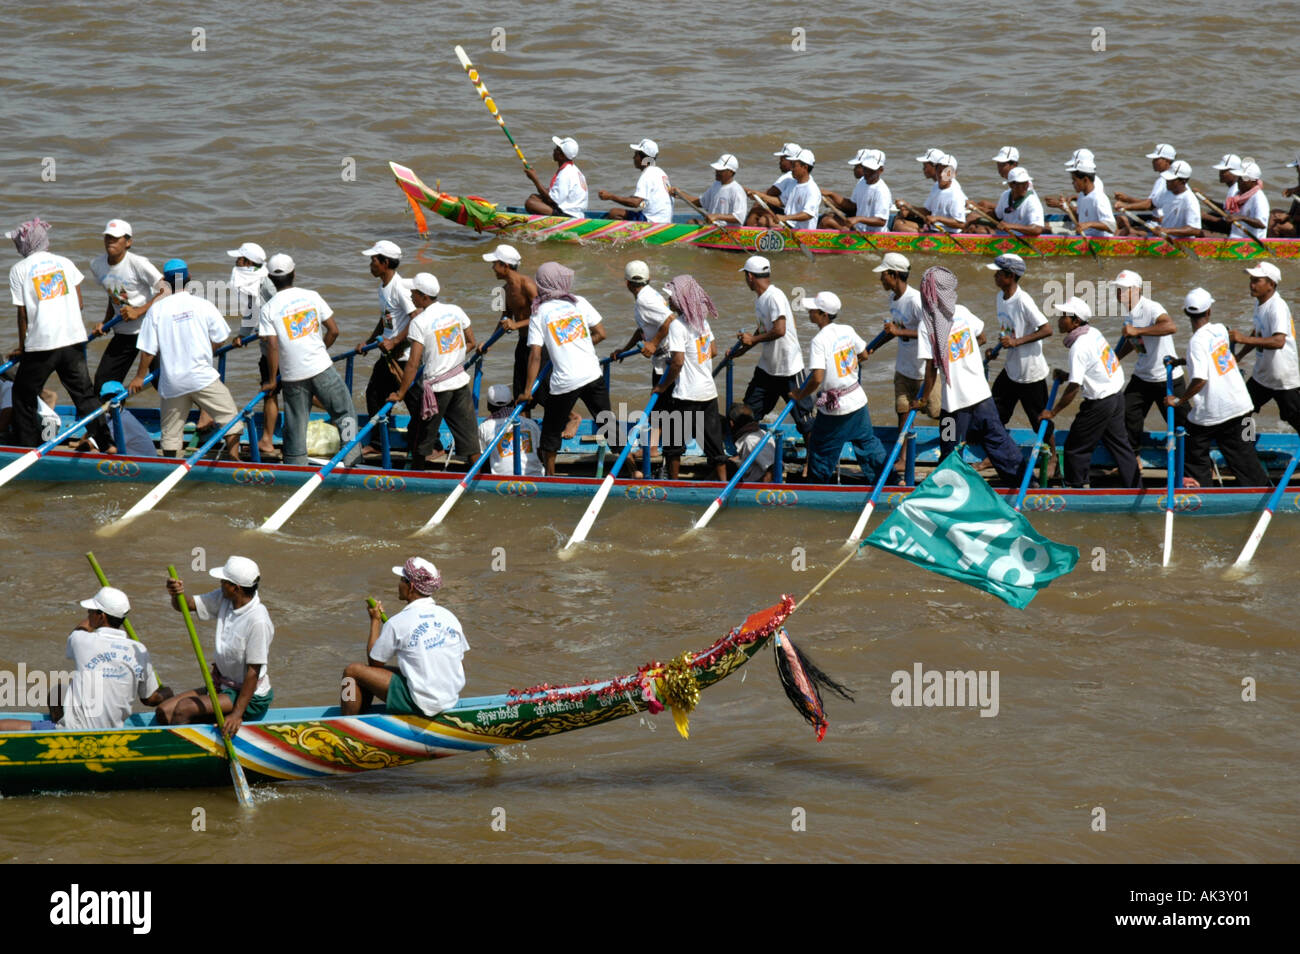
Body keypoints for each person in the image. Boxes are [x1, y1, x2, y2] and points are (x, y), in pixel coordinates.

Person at [5, 217, 112, 450]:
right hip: (73, 340)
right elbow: (80, 303)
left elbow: (22, 314)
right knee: (84, 395)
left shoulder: (18, 270)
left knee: (23, 395)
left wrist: (23, 347)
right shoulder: (65, 262)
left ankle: (26, 448)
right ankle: (106, 442)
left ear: (26, 244)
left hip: (42, 345)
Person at [0, 587, 170, 732]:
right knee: (58, 692)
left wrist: (96, 616)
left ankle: (60, 729)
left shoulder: (81, 640)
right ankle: (60, 723)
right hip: (112, 729)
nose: (88, 614)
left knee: (12, 725)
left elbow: (82, 627)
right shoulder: (139, 650)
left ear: (101, 616)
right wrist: (166, 693)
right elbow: (149, 699)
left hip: (77, 731)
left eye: (90, 611)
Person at [913, 266, 1023, 486]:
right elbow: (981, 336)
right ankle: (1022, 481)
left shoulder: (928, 326)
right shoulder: (961, 312)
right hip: (981, 395)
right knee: (997, 440)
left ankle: (948, 485)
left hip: (954, 403)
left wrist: (923, 400)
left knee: (949, 443)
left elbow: (930, 369)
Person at [128, 259, 244, 459]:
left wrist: (139, 377)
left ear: (164, 281)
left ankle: (171, 462)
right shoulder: (203, 304)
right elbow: (221, 337)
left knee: (171, 432)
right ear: (189, 278)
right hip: (202, 377)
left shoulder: (157, 310)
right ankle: (234, 459)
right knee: (230, 418)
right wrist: (208, 349)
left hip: (173, 381)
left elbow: (148, 350)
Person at [258, 253, 359, 467]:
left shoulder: (268, 308)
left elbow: (272, 345)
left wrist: (273, 380)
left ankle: (296, 465)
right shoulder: (311, 296)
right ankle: (352, 456)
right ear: (294, 273)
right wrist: (320, 348)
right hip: (321, 367)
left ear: (271, 279)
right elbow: (333, 331)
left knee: (296, 424)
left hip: (292, 375)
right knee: (344, 412)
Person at [157, 556, 274, 735]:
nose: (220, 583)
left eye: (224, 581)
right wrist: (176, 594)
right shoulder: (224, 598)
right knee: (164, 711)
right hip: (223, 686)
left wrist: (236, 715)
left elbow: (253, 671)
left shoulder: (258, 620)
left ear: (236, 588)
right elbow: (186, 605)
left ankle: (185, 755)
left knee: (184, 709)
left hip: (249, 696)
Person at [1164, 288, 1269, 487]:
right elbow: (1214, 357)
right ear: (1209, 311)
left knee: (1192, 449)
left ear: (1186, 313)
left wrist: (1179, 400)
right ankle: (1260, 489)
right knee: (1244, 457)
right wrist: (1182, 361)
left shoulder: (1196, 342)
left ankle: (1201, 489)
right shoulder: (1221, 329)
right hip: (1241, 405)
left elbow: (1200, 379)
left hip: (1215, 412)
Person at [339, 558, 468, 719]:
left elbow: (375, 662)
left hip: (421, 702)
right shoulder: (450, 617)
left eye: (401, 580)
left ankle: (346, 725)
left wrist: (375, 621)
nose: (398, 585)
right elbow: (458, 658)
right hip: (449, 699)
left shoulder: (397, 622)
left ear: (411, 586)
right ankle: (361, 716)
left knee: (352, 672)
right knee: (408, 669)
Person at [520, 262, 612, 475]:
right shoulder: (579, 302)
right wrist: (577, 347)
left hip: (566, 381)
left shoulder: (539, 312)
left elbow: (535, 355)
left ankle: (550, 477)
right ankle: (634, 469)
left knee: (550, 434)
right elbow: (601, 333)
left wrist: (526, 392)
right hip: (592, 373)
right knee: (608, 424)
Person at [1039, 297, 1140, 488]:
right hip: (1116, 396)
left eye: (1064, 317)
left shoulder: (1078, 347)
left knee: (1075, 448)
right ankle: (1135, 486)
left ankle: (1076, 487)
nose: (1060, 320)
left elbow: (1074, 387)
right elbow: (1094, 367)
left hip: (1101, 402)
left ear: (1076, 321)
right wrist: (1068, 374)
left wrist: (1052, 412)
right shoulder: (1093, 332)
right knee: (1120, 446)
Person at [788, 291, 886, 485]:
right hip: (856, 398)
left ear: (823, 315)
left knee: (820, 447)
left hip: (836, 408)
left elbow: (816, 379)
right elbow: (864, 354)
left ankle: (817, 485)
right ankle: (889, 479)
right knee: (867, 443)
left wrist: (799, 394)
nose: (810, 313)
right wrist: (847, 365)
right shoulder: (847, 330)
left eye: (813, 310)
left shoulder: (819, 341)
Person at [388, 272, 481, 470]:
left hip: (437, 390)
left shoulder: (419, 322)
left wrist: (401, 393)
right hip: (459, 382)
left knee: (421, 440)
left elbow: (413, 363)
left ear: (423, 297)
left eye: (413, 292)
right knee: (470, 440)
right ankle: (479, 478)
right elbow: (471, 342)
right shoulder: (455, 310)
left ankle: (415, 477)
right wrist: (450, 359)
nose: (411, 296)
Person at [654, 274, 727, 480]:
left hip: (685, 395)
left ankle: (674, 483)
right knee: (714, 445)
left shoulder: (678, 325)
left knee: (673, 445)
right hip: (708, 393)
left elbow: (677, 362)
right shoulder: (702, 321)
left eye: (672, 297)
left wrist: (661, 387)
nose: (669, 301)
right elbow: (712, 351)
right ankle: (723, 483)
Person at [356, 240, 423, 458]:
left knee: (416, 403)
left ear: (385, 263)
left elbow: (416, 318)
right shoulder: (383, 287)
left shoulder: (400, 287)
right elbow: (386, 319)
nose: (370, 264)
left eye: (373, 260)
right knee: (374, 395)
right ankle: (377, 441)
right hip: (387, 356)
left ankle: (433, 445)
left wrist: (395, 342)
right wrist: (369, 341)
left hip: (403, 357)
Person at [734, 256, 811, 436]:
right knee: (749, 412)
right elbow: (762, 329)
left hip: (789, 367)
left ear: (750, 277)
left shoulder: (774, 296)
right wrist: (742, 349)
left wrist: (752, 340)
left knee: (804, 420)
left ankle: (811, 463)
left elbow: (780, 330)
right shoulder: (760, 299)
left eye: (746, 276)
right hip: (768, 367)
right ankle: (749, 449)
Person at [88, 219, 166, 393]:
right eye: (108, 237)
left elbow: (166, 290)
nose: (110, 241)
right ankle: (113, 417)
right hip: (123, 333)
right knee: (102, 384)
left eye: (116, 238)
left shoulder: (138, 263)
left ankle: (202, 415)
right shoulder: (97, 265)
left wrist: (139, 311)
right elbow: (113, 296)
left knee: (162, 381)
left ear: (128, 242)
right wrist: (105, 322)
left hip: (149, 329)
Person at [1112, 269, 1185, 453]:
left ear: (1136, 290)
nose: (1119, 293)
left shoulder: (1151, 307)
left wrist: (1137, 331)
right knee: (1126, 415)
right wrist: (1115, 358)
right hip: (1142, 376)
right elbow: (1136, 342)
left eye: (1124, 289)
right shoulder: (1131, 314)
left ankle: (1199, 464)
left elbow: (1170, 326)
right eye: (1118, 289)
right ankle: (1133, 458)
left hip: (1166, 377)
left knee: (1183, 423)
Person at [984, 255, 1053, 446]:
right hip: (1011, 369)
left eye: (998, 273)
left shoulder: (1024, 301)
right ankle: (998, 451)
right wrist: (996, 349)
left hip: (1030, 373)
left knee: (1039, 420)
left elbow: (1047, 329)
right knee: (996, 412)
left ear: (1010, 276)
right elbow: (1008, 329)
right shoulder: (1001, 297)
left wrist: (1016, 342)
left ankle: (1053, 457)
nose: (995, 276)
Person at [1232, 262, 1300, 434]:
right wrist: (1239, 356)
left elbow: (1279, 341)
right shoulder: (1259, 303)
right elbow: (1258, 333)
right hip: (1263, 375)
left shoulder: (1276, 307)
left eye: (1257, 280)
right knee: (1243, 409)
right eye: (1251, 280)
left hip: (1282, 377)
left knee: (1294, 418)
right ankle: (1246, 444)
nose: (1252, 284)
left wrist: (1242, 338)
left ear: (1271, 284)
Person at [874, 252, 940, 428]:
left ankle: (950, 443)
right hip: (903, 370)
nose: (881, 279)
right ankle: (902, 456)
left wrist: (899, 331)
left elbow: (933, 332)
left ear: (894, 275)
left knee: (937, 413)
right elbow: (894, 331)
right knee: (902, 411)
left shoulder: (916, 301)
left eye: (883, 274)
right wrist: (871, 349)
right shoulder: (892, 298)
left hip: (923, 371)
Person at [227, 240, 280, 456]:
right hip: (267, 349)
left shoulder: (265, 284)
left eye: (239, 259)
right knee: (272, 391)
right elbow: (252, 314)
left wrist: (268, 331)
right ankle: (267, 440)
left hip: (278, 348)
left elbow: (280, 311)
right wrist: (242, 335)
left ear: (248, 262)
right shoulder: (250, 283)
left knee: (276, 389)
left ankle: (337, 411)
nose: (236, 263)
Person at [485, 245, 540, 407]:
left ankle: (573, 417)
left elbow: (543, 316)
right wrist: (489, 343)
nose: (492, 268)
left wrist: (516, 325)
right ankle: (524, 427)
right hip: (523, 342)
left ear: (505, 266)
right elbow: (505, 318)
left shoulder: (528, 285)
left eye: (495, 264)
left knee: (543, 392)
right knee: (519, 393)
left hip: (538, 345)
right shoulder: (504, 289)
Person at [613, 260, 673, 387]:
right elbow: (643, 329)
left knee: (661, 404)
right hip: (664, 360)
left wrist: (653, 344)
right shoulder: (649, 293)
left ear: (627, 283)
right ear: (649, 279)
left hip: (667, 361)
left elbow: (670, 320)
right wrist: (624, 350)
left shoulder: (644, 300)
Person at [597, 138, 673, 223]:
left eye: (636, 154)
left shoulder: (647, 174)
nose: (633, 157)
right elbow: (646, 203)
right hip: (665, 220)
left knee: (614, 213)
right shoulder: (661, 173)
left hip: (653, 221)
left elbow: (635, 203)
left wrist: (610, 197)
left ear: (643, 158)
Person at [478, 384, 542, 476]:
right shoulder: (531, 424)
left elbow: (482, 458)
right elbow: (540, 453)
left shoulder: (484, 427)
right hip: (535, 475)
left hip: (501, 478)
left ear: (488, 406)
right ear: (513, 403)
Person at [820, 148, 890, 232]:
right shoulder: (862, 182)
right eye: (865, 168)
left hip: (874, 235)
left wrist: (858, 219)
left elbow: (881, 221)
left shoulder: (882, 191)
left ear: (881, 170)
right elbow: (853, 206)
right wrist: (831, 195)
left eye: (871, 170)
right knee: (826, 218)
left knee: (826, 222)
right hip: (859, 228)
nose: (867, 172)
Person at [894, 153, 967, 233]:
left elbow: (961, 224)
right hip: (933, 227)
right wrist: (908, 207)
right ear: (935, 171)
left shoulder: (955, 194)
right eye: (939, 171)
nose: (942, 175)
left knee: (899, 226)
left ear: (954, 174)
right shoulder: (936, 186)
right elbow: (927, 211)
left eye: (947, 173)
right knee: (899, 220)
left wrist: (937, 218)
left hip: (946, 233)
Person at [1113, 143, 1177, 233]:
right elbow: (1152, 203)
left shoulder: (1166, 180)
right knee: (1118, 220)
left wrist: (1126, 206)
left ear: (1167, 161)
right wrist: (1127, 199)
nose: (1153, 162)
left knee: (1120, 230)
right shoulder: (1165, 179)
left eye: (1156, 159)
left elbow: (1149, 205)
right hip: (1154, 221)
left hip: (1160, 226)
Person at [1047, 156, 1116, 235]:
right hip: (1083, 234)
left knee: (1046, 230)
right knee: (1046, 227)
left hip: (1096, 239)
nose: (1073, 183)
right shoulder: (1082, 194)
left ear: (1085, 180)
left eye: (1075, 180)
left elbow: (1112, 227)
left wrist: (1089, 224)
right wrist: (1065, 207)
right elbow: (1080, 219)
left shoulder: (1099, 198)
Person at [753, 149, 820, 230]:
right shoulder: (793, 183)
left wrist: (786, 218)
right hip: (789, 224)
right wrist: (760, 196)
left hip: (802, 231)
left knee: (765, 222)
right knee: (762, 219)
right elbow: (781, 202)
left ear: (805, 167)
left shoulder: (812, 189)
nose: (791, 169)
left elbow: (808, 214)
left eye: (794, 166)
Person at [670, 153, 747, 225]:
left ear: (731, 172)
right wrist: (681, 194)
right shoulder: (716, 185)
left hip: (728, 230)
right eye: (717, 169)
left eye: (721, 170)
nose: (717, 172)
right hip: (713, 227)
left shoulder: (737, 190)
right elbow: (700, 202)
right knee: (691, 222)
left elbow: (739, 217)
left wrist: (717, 216)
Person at [523, 136, 588, 217]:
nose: (554, 150)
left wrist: (535, 180)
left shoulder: (566, 173)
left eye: (557, 149)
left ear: (561, 156)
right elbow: (555, 192)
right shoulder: (572, 169)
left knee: (530, 204)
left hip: (570, 215)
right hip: (573, 211)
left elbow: (552, 199)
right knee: (534, 197)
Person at [744, 142, 800, 226]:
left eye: (782, 159)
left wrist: (744, 190)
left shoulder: (787, 177)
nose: (779, 162)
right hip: (788, 212)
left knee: (756, 208)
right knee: (759, 206)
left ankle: (745, 234)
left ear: (791, 160)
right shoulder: (797, 177)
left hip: (790, 217)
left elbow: (769, 193)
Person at [987, 167, 1045, 238]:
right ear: (1011, 185)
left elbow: (1037, 229)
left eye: (1026, 182)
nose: (1026, 186)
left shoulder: (1032, 201)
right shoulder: (1005, 195)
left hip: (1021, 237)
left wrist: (1011, 226)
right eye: (1021, 183)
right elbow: (997, 216)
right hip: (1005, 233)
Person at [1150, 161, 1202, 238]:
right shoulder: (1167, 193)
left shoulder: (1190, 199)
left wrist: (1167, 231)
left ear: (1183, 181)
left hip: (1180, 242)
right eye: (1167, 179)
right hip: (1165, 237)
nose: (1167, 181)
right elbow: (1152, 204)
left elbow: (1195, 230)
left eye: (1171, 180)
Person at [727, 402, 775, 482]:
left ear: (732, 423)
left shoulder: (751, 440)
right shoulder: (761, 433)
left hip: (755, 483)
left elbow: (771, 467)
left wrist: (762, 490)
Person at [972, 146, 1022, 217]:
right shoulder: (1014, 180)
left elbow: (1012, 212)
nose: (999, 169)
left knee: (973, 216)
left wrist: (976, 208)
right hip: (1011, 210)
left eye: (1003, 165)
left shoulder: (1020, 183)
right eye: (998, 164)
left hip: (1014, 217)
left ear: (1014, 164)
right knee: (983, 203)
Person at [1224, 161, 1269, 241]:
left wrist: (1241, 217)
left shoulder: (1259, 198)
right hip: (1235, 237)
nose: (1238, 181)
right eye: (1239, 178)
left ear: (1253, 181)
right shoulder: (1238, 195)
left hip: (1251, 242)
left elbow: (1262, 224)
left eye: (1242, 179)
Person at [1201, 154, 1242, 234]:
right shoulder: (1233, 188)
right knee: (1211, 214)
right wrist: (1205, 199)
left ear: (1235, 172)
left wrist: (1206, 217)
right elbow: (1225, 208)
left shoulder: (1235, 191)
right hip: (1228, 222)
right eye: (1220, 171)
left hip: (1233, 228)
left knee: (1202, 221)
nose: (1220, 174)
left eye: (1224, 171)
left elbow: (1229, 222)